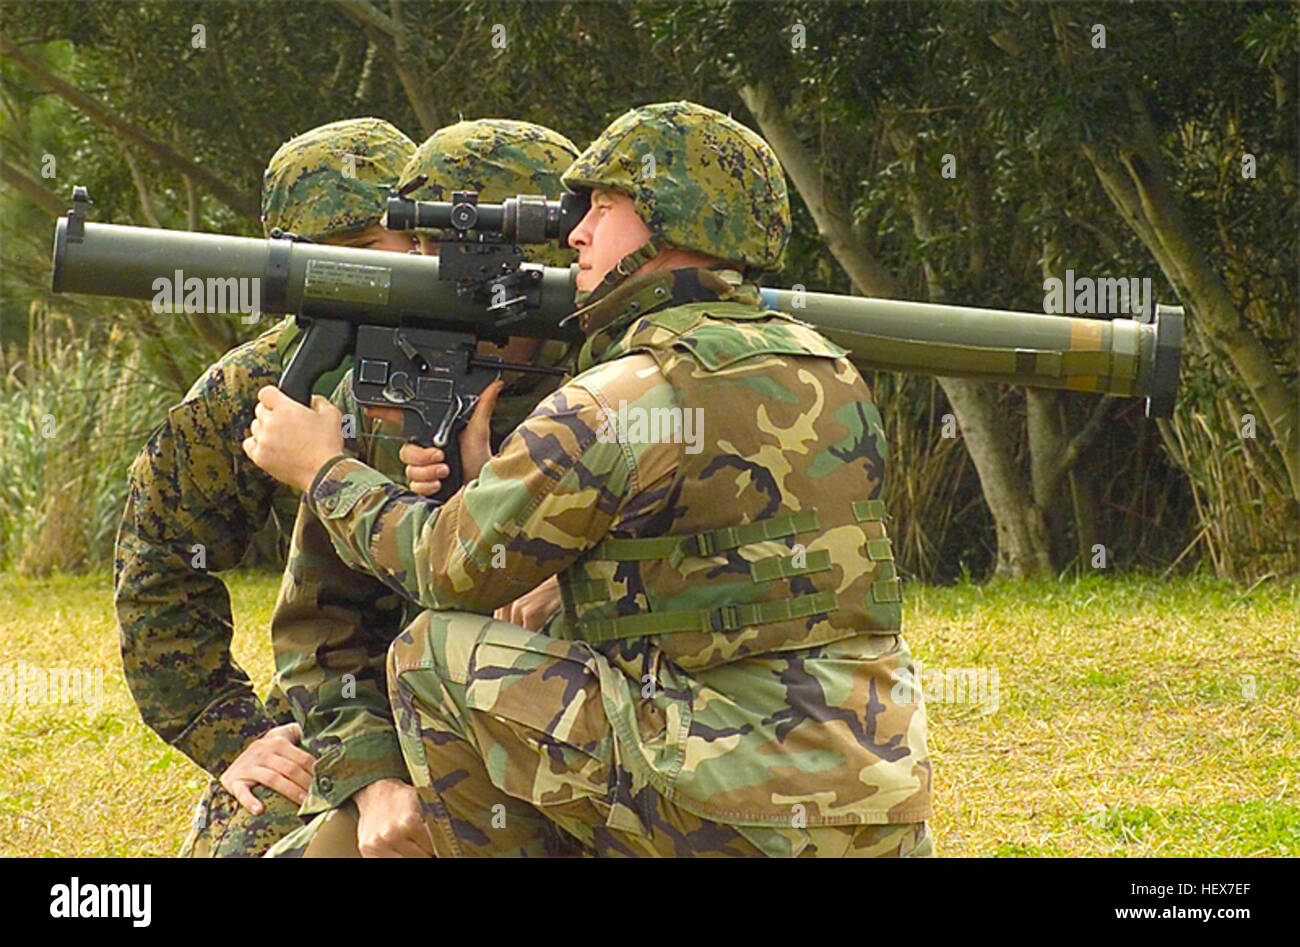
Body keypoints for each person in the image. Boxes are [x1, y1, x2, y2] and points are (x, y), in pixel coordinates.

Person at [243, 101, 932, 857]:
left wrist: (322, 468)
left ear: (675, 224)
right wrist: (490, 482)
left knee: (432, 652)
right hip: (875, 805)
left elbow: (446, 565)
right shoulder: (829, 369)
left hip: (730, 812)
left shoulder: (620, 395)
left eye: (604, 208)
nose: (577, 233)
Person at [262, 119, 580, 857]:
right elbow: (322, 626)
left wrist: (564, 582)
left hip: (589, 769)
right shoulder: (395, 391)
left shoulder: (619, 395)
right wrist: (375, 781)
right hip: (424, 751)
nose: (430, 273)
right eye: (424, 247)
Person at [115, 117, 421, 857]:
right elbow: (159, 554)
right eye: (355, 252)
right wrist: (231, 733)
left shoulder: (525, 350)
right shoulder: (262, 383)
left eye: (410, 240)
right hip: (338, 693)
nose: (397, 265)